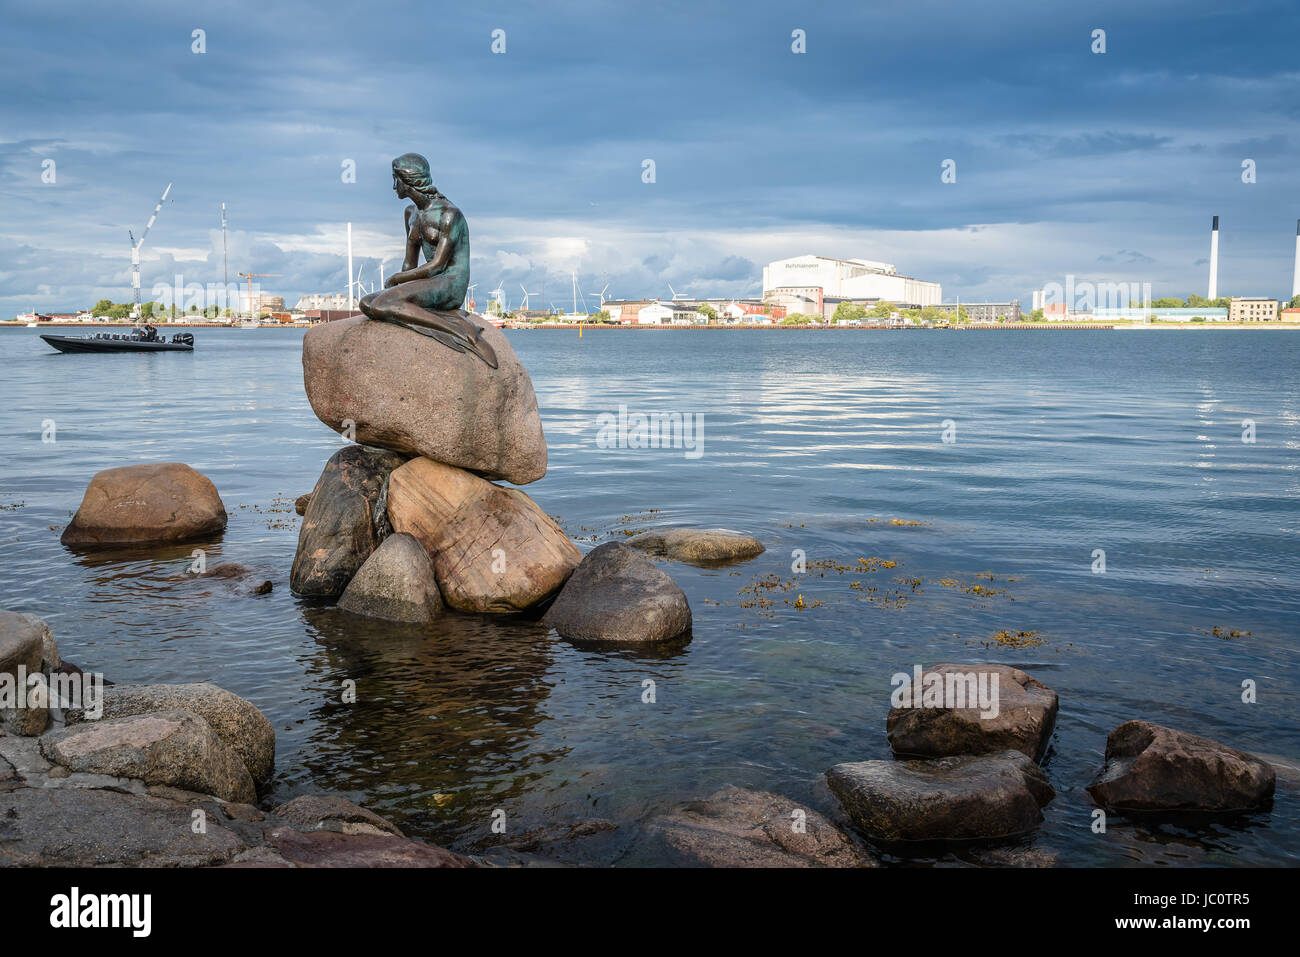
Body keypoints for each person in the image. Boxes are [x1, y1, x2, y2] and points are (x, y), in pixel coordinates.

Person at [357, 153, 497, 369]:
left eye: (396, 179)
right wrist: (401, 284)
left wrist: (397, 279)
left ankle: (459, 330)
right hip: (428, 280)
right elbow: (409, 262)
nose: (394, 186)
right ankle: (433, 319)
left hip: (449, 282)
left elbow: (438, 265)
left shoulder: (449, 214)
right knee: (367, 303)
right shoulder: (410, 213)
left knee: (384, 303)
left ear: (409, 180)